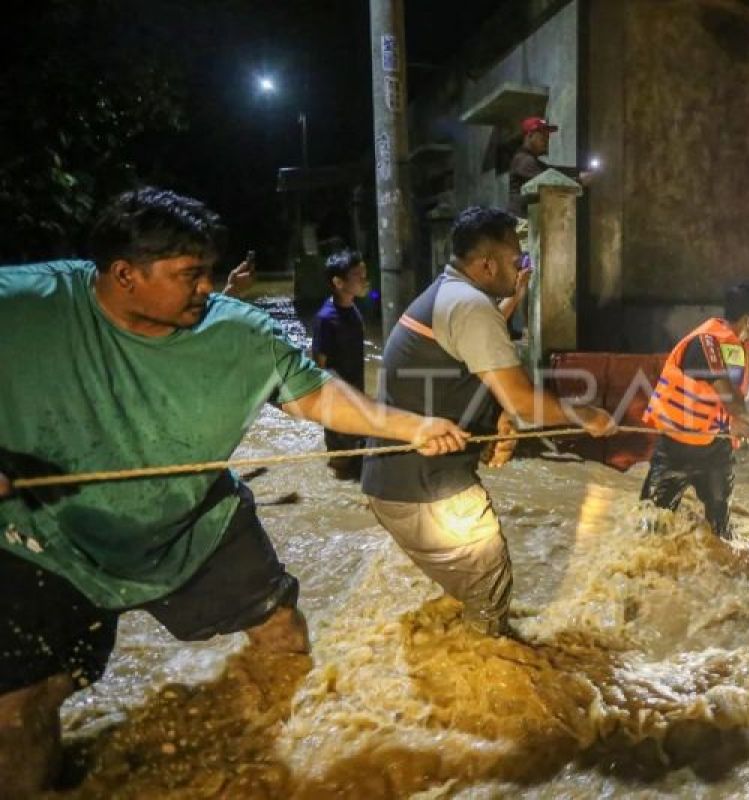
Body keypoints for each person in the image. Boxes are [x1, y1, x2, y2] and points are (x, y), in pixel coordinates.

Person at [0, 187, 468, 795]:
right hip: (41, 540)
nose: (207, 287)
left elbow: (315, 395)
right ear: (124, 274)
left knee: (281, 633)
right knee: (18, 705)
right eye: (190, 274)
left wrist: (413, 426)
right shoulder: (22, 305)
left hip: (196, 526)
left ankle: (293, 765)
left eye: (210, 272)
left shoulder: (239, 332)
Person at [361, 206, 616, 637]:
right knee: (489, 596)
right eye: (517, 258)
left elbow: (482, 342)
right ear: (486, 264)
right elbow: (524, 403)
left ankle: (454, 662)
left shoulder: (449, 294)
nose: (522, 264)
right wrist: (586, 414)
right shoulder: (468, 307)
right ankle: (486, 678)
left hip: (394, 481)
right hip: (426, 489)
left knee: (472, 591)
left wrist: (515, 296)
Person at [640, 280, 749, 540]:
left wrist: (734, 422)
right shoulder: (704, 344)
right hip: (675, 450)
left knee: (719, 533)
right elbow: (732, 400)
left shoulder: (744, 349)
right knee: (650, 530)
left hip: (715, 449)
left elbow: (736, 402)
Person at [312, 249, 370, 480]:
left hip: (355, 393)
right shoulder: (326, 318)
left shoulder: (353, 310)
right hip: (337, 399)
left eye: (363, 274)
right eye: (358, 275)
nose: (364, 279)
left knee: (358, 453)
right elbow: (319, 365)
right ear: (338, 282)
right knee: (342, 462)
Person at [506, 117, 593, 217]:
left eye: (547, 137)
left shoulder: (530, 160)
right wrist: (580, 181)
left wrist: (578, 171)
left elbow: (554, 171)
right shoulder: (524, 160)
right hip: (521, 223)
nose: (546, 141)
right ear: (530, 135)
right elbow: (550, 183)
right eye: (542, 137)